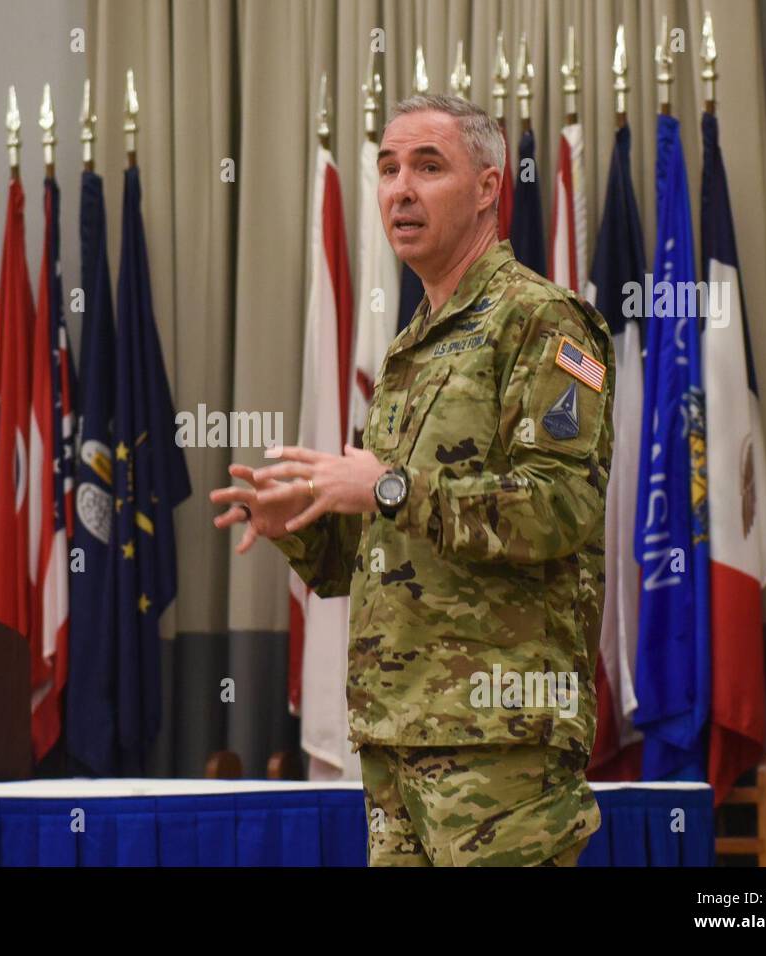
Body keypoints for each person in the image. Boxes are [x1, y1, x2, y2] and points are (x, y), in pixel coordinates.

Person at [210, 93, 615, 866]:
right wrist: (301, 526)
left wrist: (390, 487)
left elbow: (560, 509)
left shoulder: (545, 322)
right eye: (389, 167)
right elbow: (380, 556)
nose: (400, 188)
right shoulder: (410, 348)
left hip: (501, 739)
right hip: (399, 737)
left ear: (490, 187)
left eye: (429, 167)